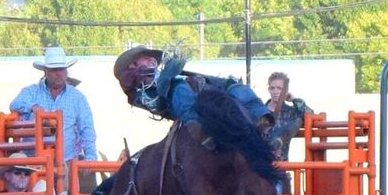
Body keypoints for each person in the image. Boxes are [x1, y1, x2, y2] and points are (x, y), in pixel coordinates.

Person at [9, 46, 97, 195]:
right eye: (53, 70)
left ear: (66, 71)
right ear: (45, 72)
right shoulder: (31, 92)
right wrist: (32, 107)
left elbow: (86, 128)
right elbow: (14, 104)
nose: (58, 74)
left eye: (61, 69)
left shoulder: (78, 98)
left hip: (65, 162)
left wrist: (90, 156)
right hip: (34, 163)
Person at [113, 46, 271, 127]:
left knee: (235, 87)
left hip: (210, 94)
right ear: (133, 67)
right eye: (145, 59)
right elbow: (158, 105)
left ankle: (263, 120)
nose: (151, 60)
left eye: (150, 58)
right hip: (190, 106)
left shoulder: (170, 74)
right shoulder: (141, 94)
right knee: (180, 90)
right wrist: (167, 82)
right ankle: (202, 128)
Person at [264, 72, 313, 161]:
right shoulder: (260, 111)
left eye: (279, 88)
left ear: (286, 90)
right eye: (272, 88)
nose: (275, 91)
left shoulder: (290, 112)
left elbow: (310, 115)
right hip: (260, 163)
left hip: (282, 164)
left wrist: (295, 99)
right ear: (269, 90)